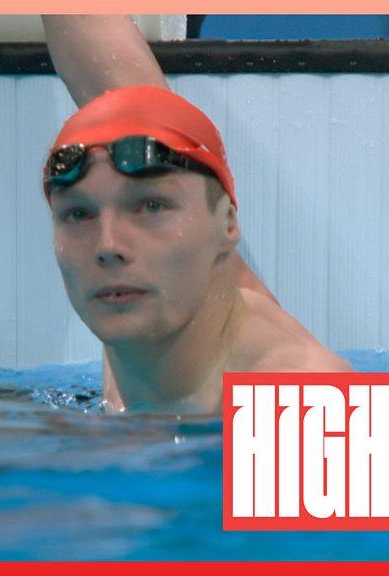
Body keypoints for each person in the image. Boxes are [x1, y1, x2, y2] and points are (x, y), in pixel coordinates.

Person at [40, 15, 351, 415]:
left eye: (151, 207)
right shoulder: (149, 299)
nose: (108, 245)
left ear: (228, 224)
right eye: (78, 214)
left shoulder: (300, 408)